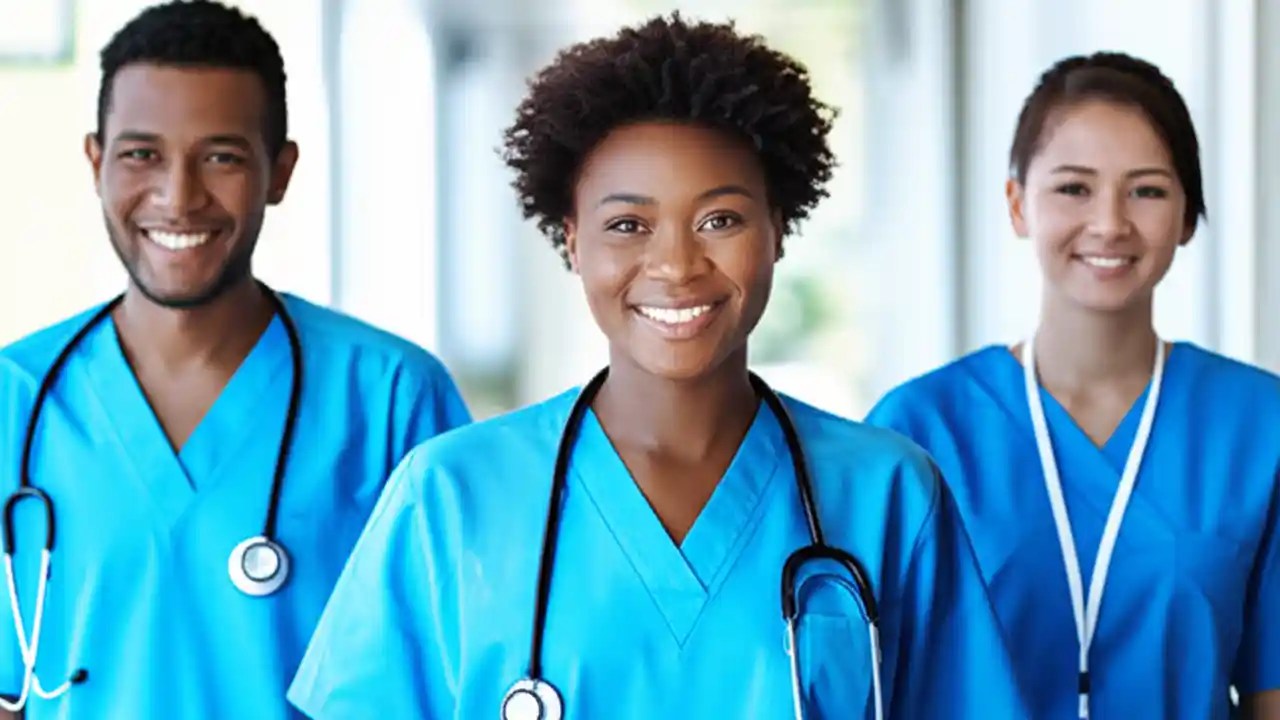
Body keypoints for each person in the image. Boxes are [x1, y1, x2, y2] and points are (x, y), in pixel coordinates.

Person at [288, 14, 1027, 720]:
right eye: (628, 225)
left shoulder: (886, 492)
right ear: (572, 240)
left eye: (719, 220)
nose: (676, 264)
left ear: (778, 229)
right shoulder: (449, 495)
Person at [0, 2, 471, 717]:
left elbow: (460, 673)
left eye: (221, 157)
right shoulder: (16, 401)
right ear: (96, 163)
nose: (179, 197)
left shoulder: (391, 400)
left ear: (279, 172)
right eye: (142, 154)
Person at [865, 52, 1280, 719]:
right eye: (1073, 188)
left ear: (1187, 216)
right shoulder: (920, 428)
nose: (1110, 223)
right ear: (1017, 204)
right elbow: (869, 684)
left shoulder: (1259, 426)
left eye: (1147, 191)